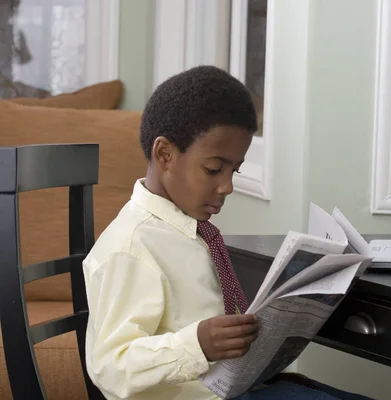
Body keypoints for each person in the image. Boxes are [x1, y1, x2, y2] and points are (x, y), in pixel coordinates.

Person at [82, 65, 371, 400]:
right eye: (213, 169)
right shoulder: (131, 246)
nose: (227, 186)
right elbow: (109, 366)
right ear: (164, 154)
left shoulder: (195, 233)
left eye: (234, 169)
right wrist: (197, 345)